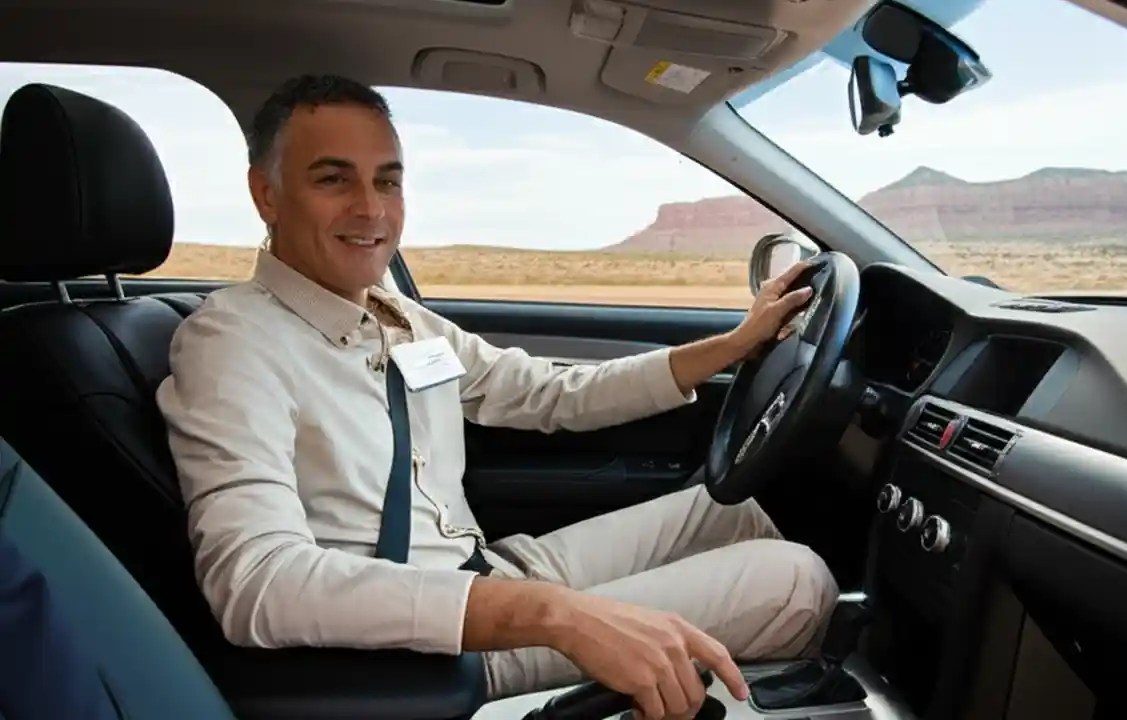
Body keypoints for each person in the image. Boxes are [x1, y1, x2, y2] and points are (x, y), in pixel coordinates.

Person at [155, 74, 839, 720]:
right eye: (334, 179)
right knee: (795, 580)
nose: (370, 209)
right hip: (428, 647)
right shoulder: (233, 343)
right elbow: (258, 585)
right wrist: (555, 614)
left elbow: (550, 392)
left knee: (733, 511)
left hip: (489, 570)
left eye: (387, 181)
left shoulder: (398, 319)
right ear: (266, 194)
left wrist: (734, 344)